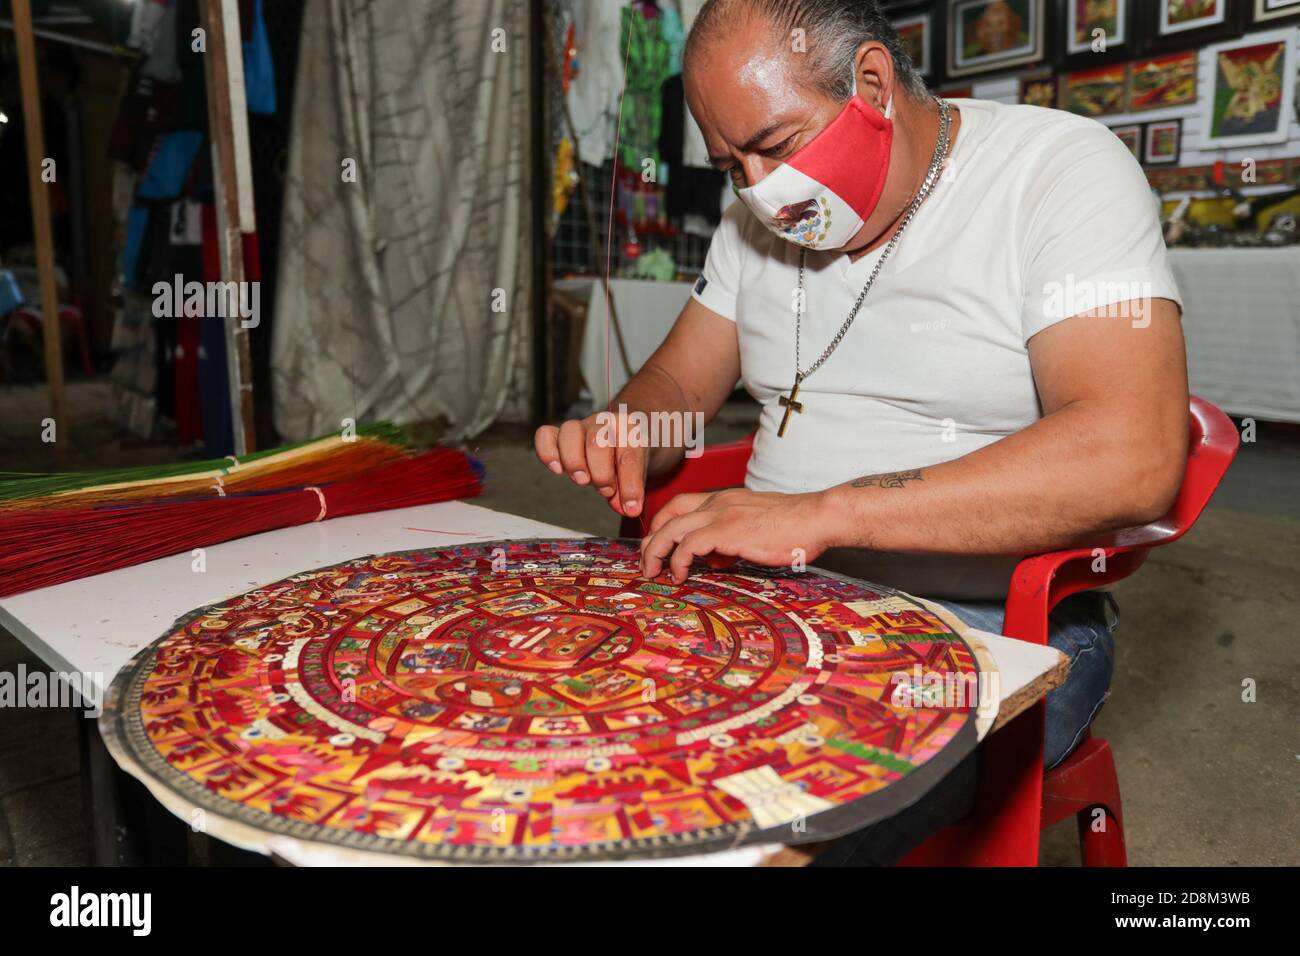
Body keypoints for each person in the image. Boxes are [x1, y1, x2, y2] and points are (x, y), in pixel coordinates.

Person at [535, 0, 1188, 861]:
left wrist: (820, 514)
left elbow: (1130, 458)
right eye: (732, 165)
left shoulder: (1058, 174)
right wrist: (626, 427)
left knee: (763, 821)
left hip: (987, 620)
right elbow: (678, 384)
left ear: (873, 84)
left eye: (775, 144)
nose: (760, 190)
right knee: (548, 739)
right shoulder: (751, 224)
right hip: (764, 594)